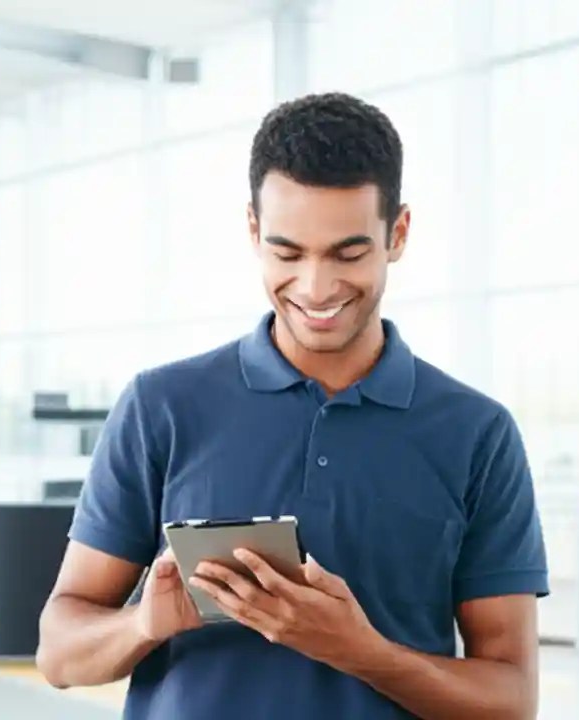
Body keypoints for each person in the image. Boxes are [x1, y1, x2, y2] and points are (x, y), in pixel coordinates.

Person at [35, 92, 550, 719]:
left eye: (348, 253)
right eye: (287, 252)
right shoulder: (162, 406)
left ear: (399, 234)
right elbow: (59, 654)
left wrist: (361, 651)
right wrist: (143, 624)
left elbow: (512, 701)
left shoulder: (476, 433)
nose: (315, 287)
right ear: (253, 231)